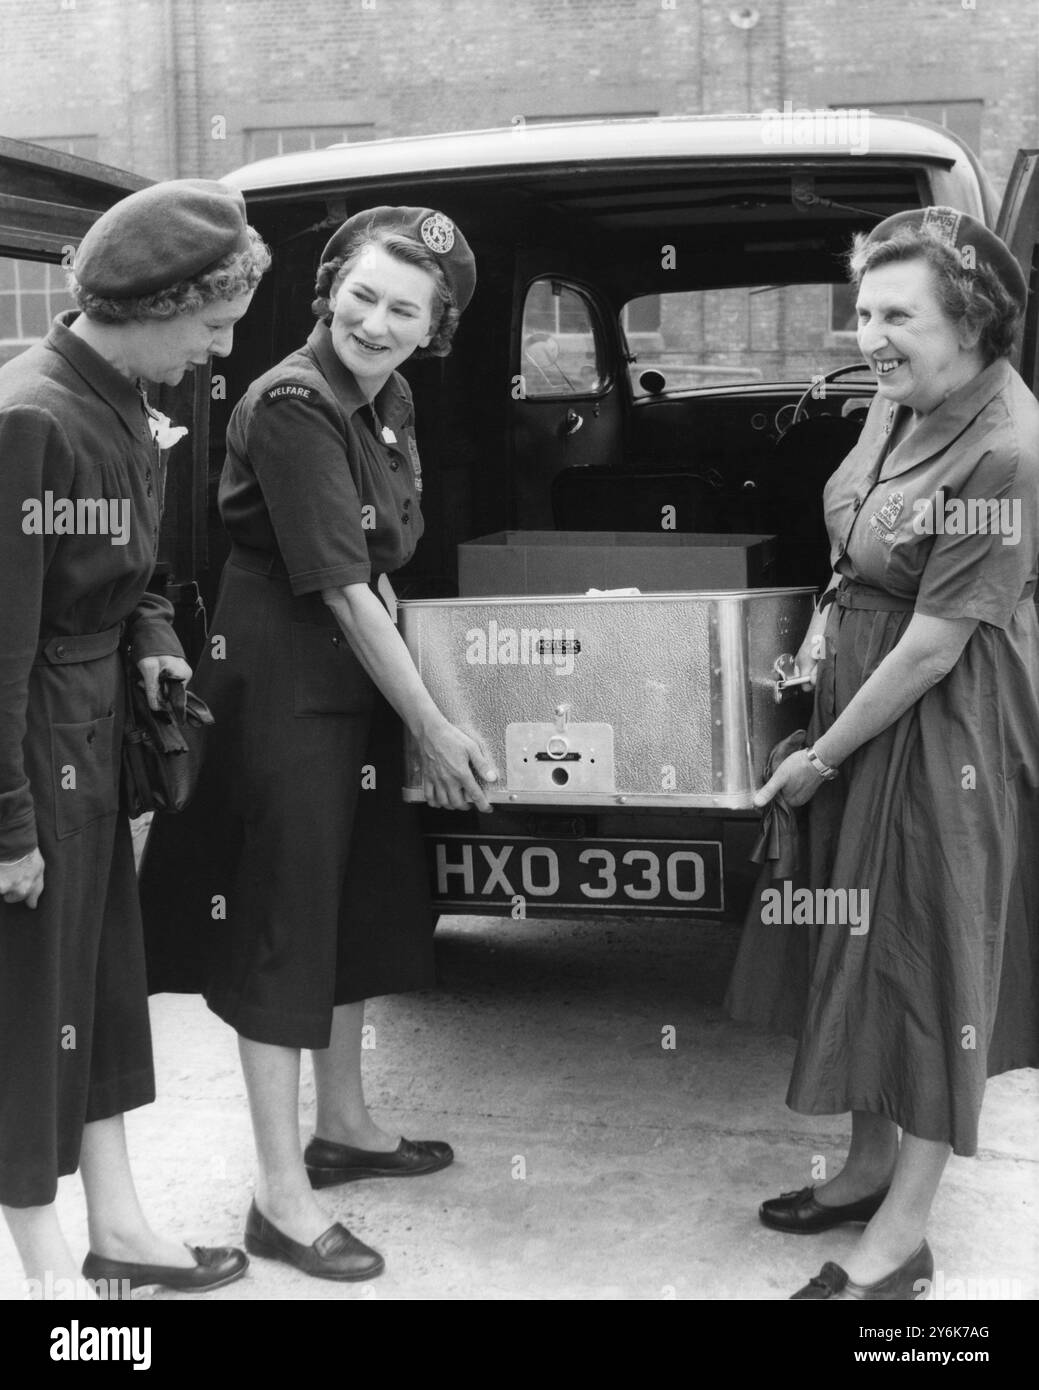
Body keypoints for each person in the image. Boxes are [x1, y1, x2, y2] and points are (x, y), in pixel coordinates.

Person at [140, 206, 498, 1282]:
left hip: (351, 681)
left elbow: (384, 561)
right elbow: (344, 588)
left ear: (433, 328)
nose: (376, 321)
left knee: (348, 906)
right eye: (362, 296)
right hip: (284, 688)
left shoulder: (385, 397)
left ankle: (342, 1125)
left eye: (404, 309)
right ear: (328, 288)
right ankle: (279, 1200)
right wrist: (433, 724)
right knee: (282, 932)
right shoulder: (293, 402)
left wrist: (426, 703)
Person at [729, 206, 1039, 1300]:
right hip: (861, 682)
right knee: (856, 934)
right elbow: (859, 548)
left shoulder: (1006, 446)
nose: (870, 333)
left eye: (896, 314)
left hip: (938, 716)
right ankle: (863, 1169)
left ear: (969, 319)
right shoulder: (894, 399)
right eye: (862, 310)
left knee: (928, 958)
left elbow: (937, 641)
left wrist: (819, 755)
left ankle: (902, 1235)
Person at [0, 179, 268, 1297]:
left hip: (98, 720)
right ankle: (47, 1268)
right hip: (35, 734)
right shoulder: (33, 416)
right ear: (157, 302)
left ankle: (119, 1223)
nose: (217, 351)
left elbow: (137, 572)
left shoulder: (115, 399)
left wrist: (151, 630)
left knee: (101, 985)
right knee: (31, 996)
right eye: (211, 326)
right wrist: (9, 825)